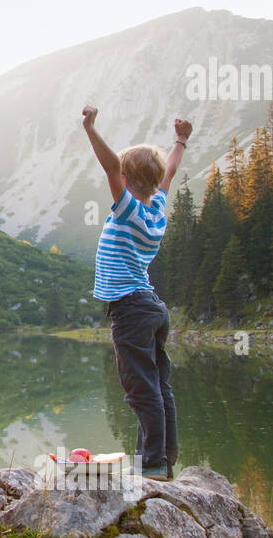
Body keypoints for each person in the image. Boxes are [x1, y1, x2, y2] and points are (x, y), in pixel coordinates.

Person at [81, 105, 192, 482]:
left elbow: (111, 167)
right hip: (151, 308)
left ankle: (153, 465)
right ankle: (164, 457)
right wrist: (180, 140)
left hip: (131, 310)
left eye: (122, 176)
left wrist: (90, 128)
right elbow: (170, 170)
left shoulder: (127, 210)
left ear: (127, 180)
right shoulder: (156, 209)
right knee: (159, 385)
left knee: (141, 390)